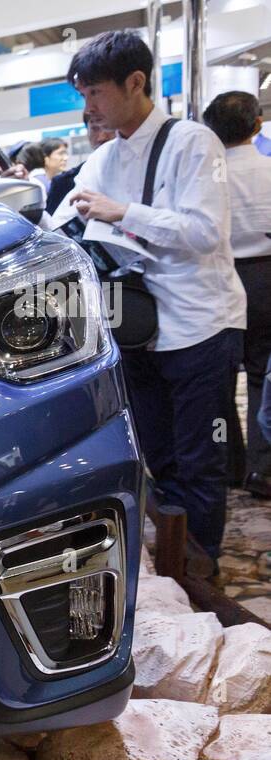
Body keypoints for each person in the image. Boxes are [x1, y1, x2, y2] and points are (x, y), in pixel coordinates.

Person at [67, 30, 246, 571]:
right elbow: (73, 216)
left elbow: (204, 233)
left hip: (201, 324)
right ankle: (176, 559)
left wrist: (122, 214)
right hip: (138, 328)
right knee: (157, 456)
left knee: (200, 457)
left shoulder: (192, 142)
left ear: (135, 82)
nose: (88, 107)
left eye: (95, 93)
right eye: (83, 95)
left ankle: (203, 561)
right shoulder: (104, 158)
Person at [204, 93, 271, 497]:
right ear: (258, 124)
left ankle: (230, 464)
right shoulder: (269, 169)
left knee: (222, 377)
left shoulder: (210, 177)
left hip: (222, 277)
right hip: (268, 274)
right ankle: (264, 469)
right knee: (264, 374)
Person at [46, 115, 116, 213]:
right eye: (95, 129)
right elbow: (53, 225)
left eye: (108, 128)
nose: (102, 137)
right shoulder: (63, 183)